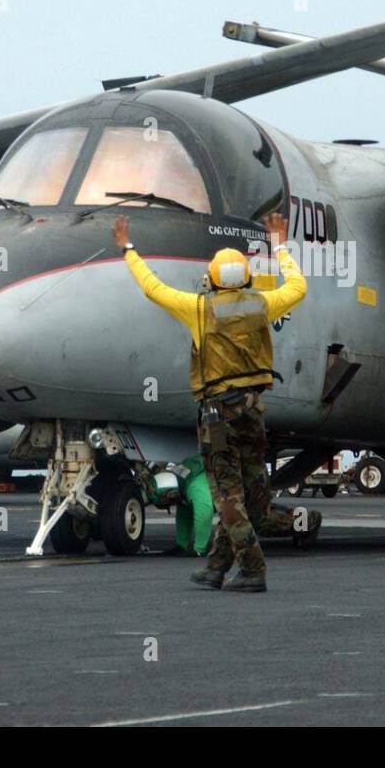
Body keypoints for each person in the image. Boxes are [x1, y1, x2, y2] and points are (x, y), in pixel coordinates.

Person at [115, 211, 310, 592]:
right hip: (253, 412)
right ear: (247, 279)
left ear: (213, 279)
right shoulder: (262, 305)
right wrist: (279, 245)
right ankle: (218, 566)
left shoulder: (200, 310)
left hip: (219, 415)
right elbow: (298, 287)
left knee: (227, 495)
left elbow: (153, 288)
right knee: (252, 491)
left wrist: (128, 249)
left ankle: (253, 569)